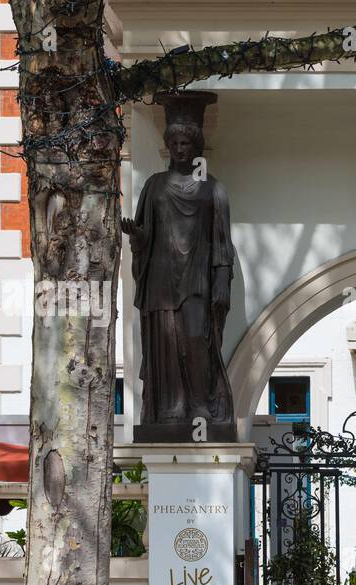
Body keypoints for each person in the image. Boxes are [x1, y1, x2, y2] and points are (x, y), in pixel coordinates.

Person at [123, 92, 235, 437]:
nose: (181, 148)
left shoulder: (212, 188)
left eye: (187, 142)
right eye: (175, 141)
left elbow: (221, 241)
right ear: (168, 144)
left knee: (196, 338)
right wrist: (136, 236)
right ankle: (169, 408)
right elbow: (145, 237)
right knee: (166, 344)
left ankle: (201, 404)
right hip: (159, 277)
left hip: (197, 278)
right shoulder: (154, 185)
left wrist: (221, 279)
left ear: (197, 145)